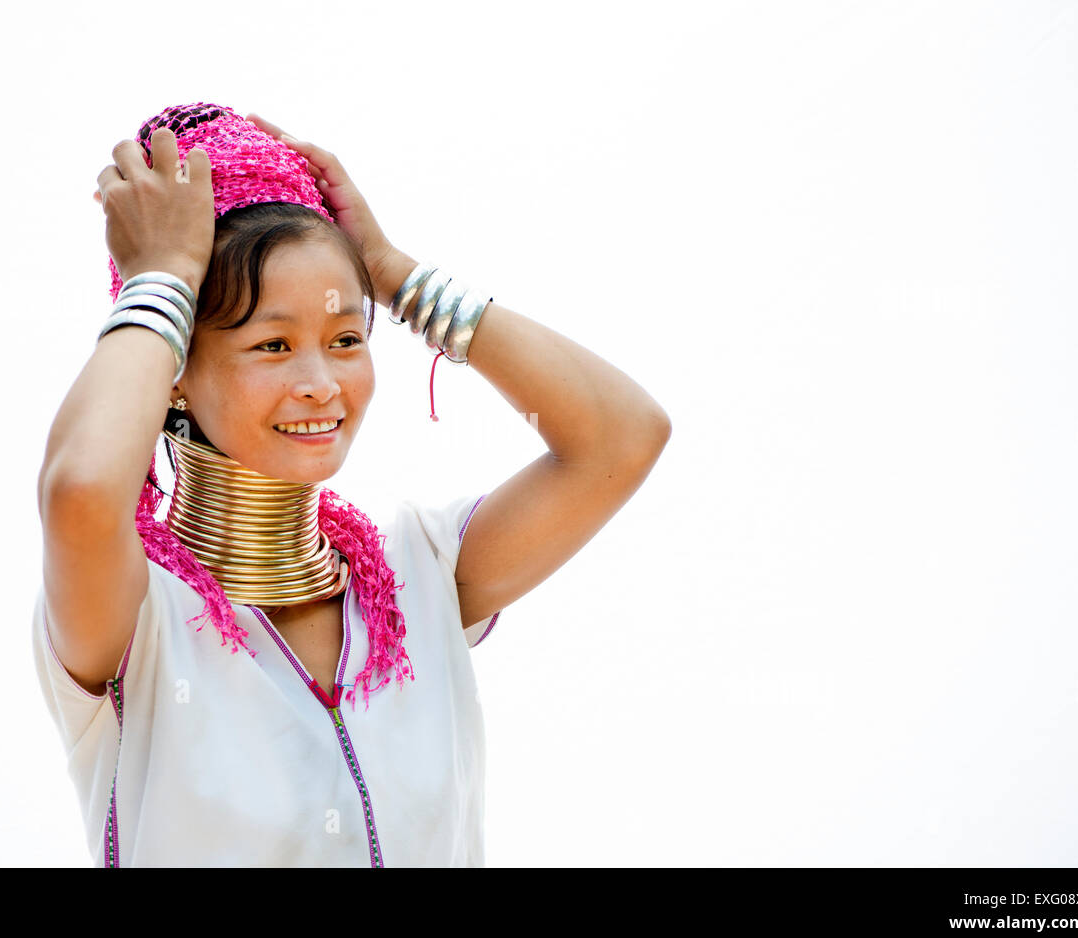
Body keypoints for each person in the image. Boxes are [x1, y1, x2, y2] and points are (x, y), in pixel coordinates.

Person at [33, 102, 671, 867]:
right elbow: (79, 490)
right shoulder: (133, 621)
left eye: (345, 339)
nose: (320, 384)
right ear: (173, 370)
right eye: (273, 342)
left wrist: (396, 274)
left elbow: (623, 436)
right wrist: (163, 277)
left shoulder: (420, 577)